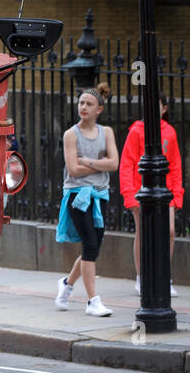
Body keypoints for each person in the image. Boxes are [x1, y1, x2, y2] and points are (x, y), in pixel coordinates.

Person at [55, 83, 119, 316]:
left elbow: (114, 164)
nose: (83, 107)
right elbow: (73, 169)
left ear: (99, 109)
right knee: (90, 245)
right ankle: (93, 301)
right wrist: (99, 165)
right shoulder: (71, 134)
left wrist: (88, 162)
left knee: (93, 249)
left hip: (99, 195)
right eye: (81, 102)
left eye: (88, 104)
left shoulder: (107, 133)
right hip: (77, 196)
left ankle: (66, 285)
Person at [120, 94, 182, 296]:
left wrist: (177, 195)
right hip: (141, 192)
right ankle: (142, 277)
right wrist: (129, 195)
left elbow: (176, 165)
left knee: (170, 231)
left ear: (164, 109)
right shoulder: (136, 131)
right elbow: (127, 164)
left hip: (166, 192)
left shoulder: (170, 132)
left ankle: (164, 276)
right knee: (143, 233)